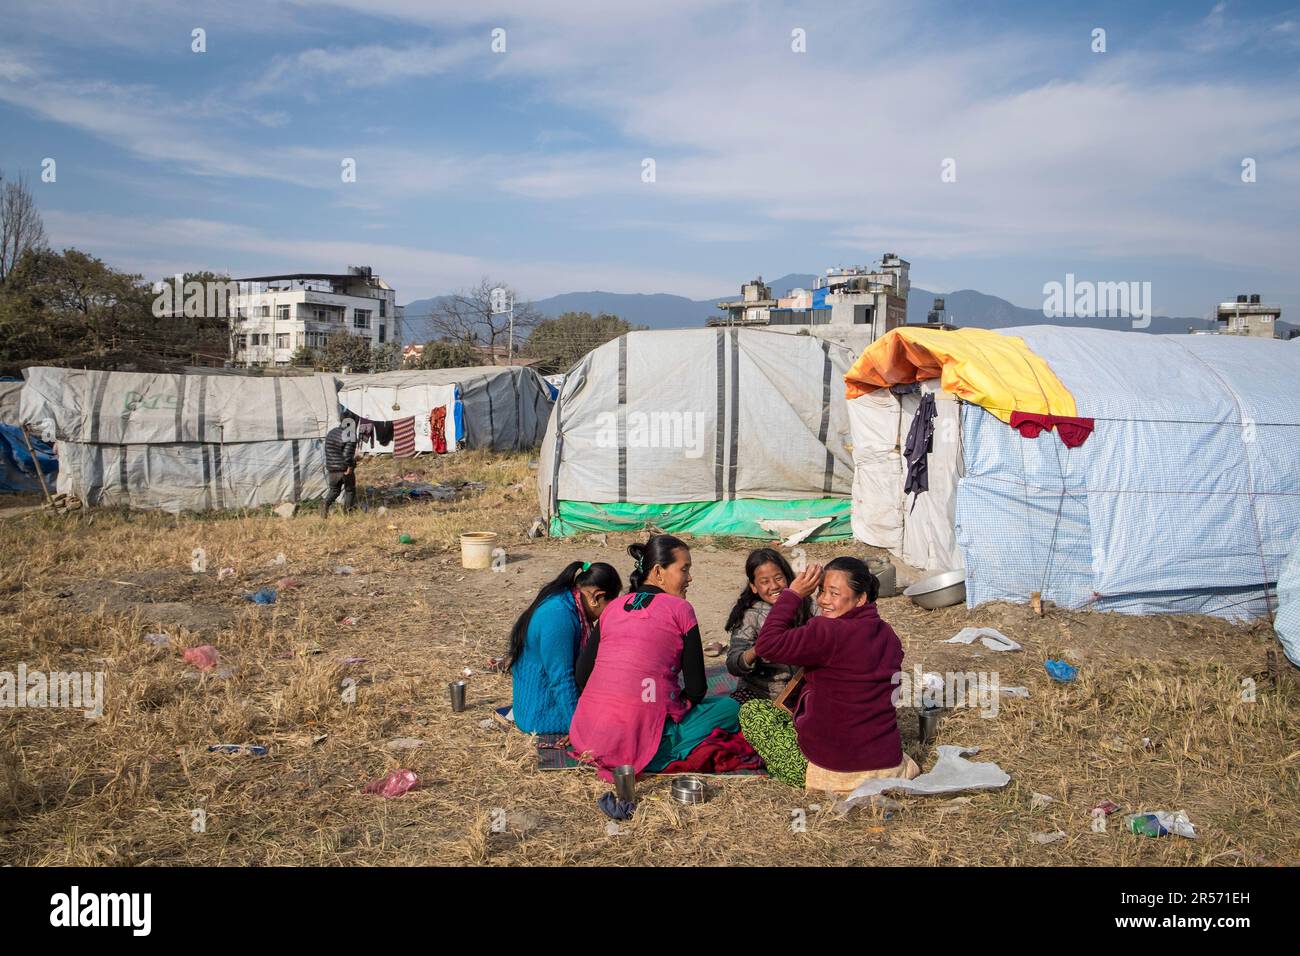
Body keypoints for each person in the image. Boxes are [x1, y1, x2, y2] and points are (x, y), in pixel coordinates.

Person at [569, 534, 740, 779]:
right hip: (635, 744)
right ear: (659, 572)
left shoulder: (614, 608)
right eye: (684, 569)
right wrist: (669, 703)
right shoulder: (681, 609)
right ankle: (657, 747)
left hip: (586, 738)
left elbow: (582, 674)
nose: (689, 577)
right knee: (731, 708)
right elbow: (696, 689)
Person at [745, 556, 919, 796]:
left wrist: (793, 595)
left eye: (834, 594)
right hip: (886, 764)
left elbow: (766, 646)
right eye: (821, 591)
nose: (824, 600)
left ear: (861, 599)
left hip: (835, 770)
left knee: (754, 713)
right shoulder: (887, 634)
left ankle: (814, 774)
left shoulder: (827, 631)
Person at [507, 561, 622, 735]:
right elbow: (561, 679)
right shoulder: (558, 616)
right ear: (596, 597)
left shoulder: (567, 601)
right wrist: (579, 731)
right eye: (609, 607)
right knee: (615, 724)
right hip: (541, 712)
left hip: (544, 700)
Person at [725, 548, 809, 704]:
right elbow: (733, 664)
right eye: (764, 582)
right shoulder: (751, 616)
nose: (774, 586)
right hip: (758, 696)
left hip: (800, 695)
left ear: (788, 578)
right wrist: (759, 648)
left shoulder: (806, 606)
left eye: (779, 578)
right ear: (754, 586)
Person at [321, 419, 358, 517]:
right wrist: (351, 466)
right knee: (350, 490)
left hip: (332, 468)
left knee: (334, 490)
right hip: (344, 469)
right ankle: (347, 514)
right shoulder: (350, 435)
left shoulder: (331, 433)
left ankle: (325, 504)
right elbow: (347, 456)